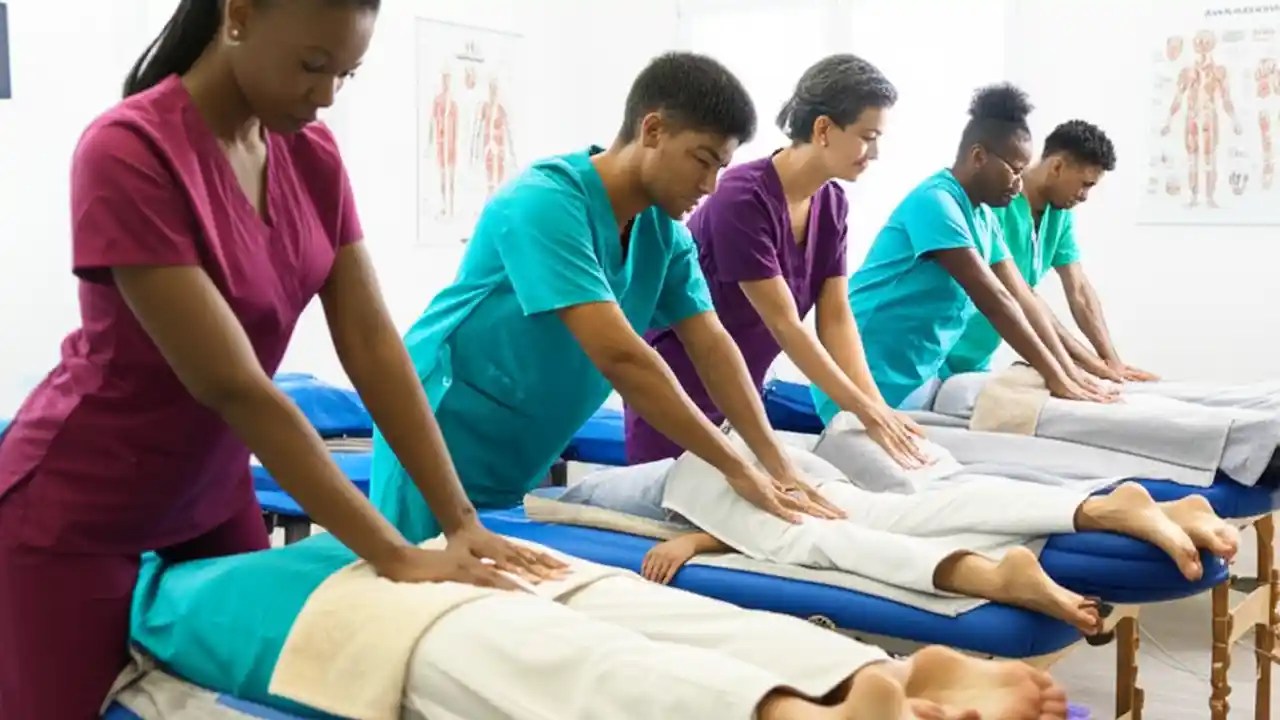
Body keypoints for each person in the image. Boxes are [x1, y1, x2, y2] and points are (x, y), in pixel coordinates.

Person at [0, 2, 563, 717]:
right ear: (237, 15)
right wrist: (394, 555)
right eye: (312, 66)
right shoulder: (128, 149)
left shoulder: (312, 155)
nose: (327, 94)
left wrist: (459, 521)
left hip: (209, 490)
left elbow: (373, 346)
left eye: (346, 73)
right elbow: (235, 386)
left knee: (262, 691)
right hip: (82, 504)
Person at [371, 51, 849, 547]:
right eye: (702, 161)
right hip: (442, 429)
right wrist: (735, 469)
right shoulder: (545, 202)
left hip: (524, 443)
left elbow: (712, 345)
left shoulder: (665, 236)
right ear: (653, 130)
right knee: (414, 589)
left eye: (720, 168)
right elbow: (622, 357)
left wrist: (774, 462)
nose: (708, 186)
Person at [555, 437, 1236, 635]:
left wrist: (696, 540)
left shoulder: (596, 491)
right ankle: (1105, 508)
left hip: (706, 475)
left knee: (811, 544)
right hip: (770, 453)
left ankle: (993, 576)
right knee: (889, 512)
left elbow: (627, 500)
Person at [625, 54, 930, 470]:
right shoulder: (741, 197)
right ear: (823, 129)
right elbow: (783, 323)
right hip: (679, 395)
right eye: (867, 136)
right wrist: (864, 410)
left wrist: (878, 408)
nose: (874, 152)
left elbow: (836, 317)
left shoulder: (832, 203)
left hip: (742, 399)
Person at [810, 84, 1117, 424]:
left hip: (915, 374)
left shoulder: (984, 217)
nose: (1018, 184)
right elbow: (995, 300)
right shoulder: (936, 202)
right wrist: (1060, 378)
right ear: (978, 157)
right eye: (1014, 170)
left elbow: (1022, 298)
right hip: (862, 371)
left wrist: (1074, 371)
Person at [942, 120, 1158, 383]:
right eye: (1085, 184)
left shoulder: (1060, 216)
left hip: (976, 362)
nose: (1084, 196)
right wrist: (1089, 366)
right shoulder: (996, 202)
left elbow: (1078, 291)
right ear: (1056, 166)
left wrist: (1112, 362)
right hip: (940, 353)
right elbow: (1021, 296)